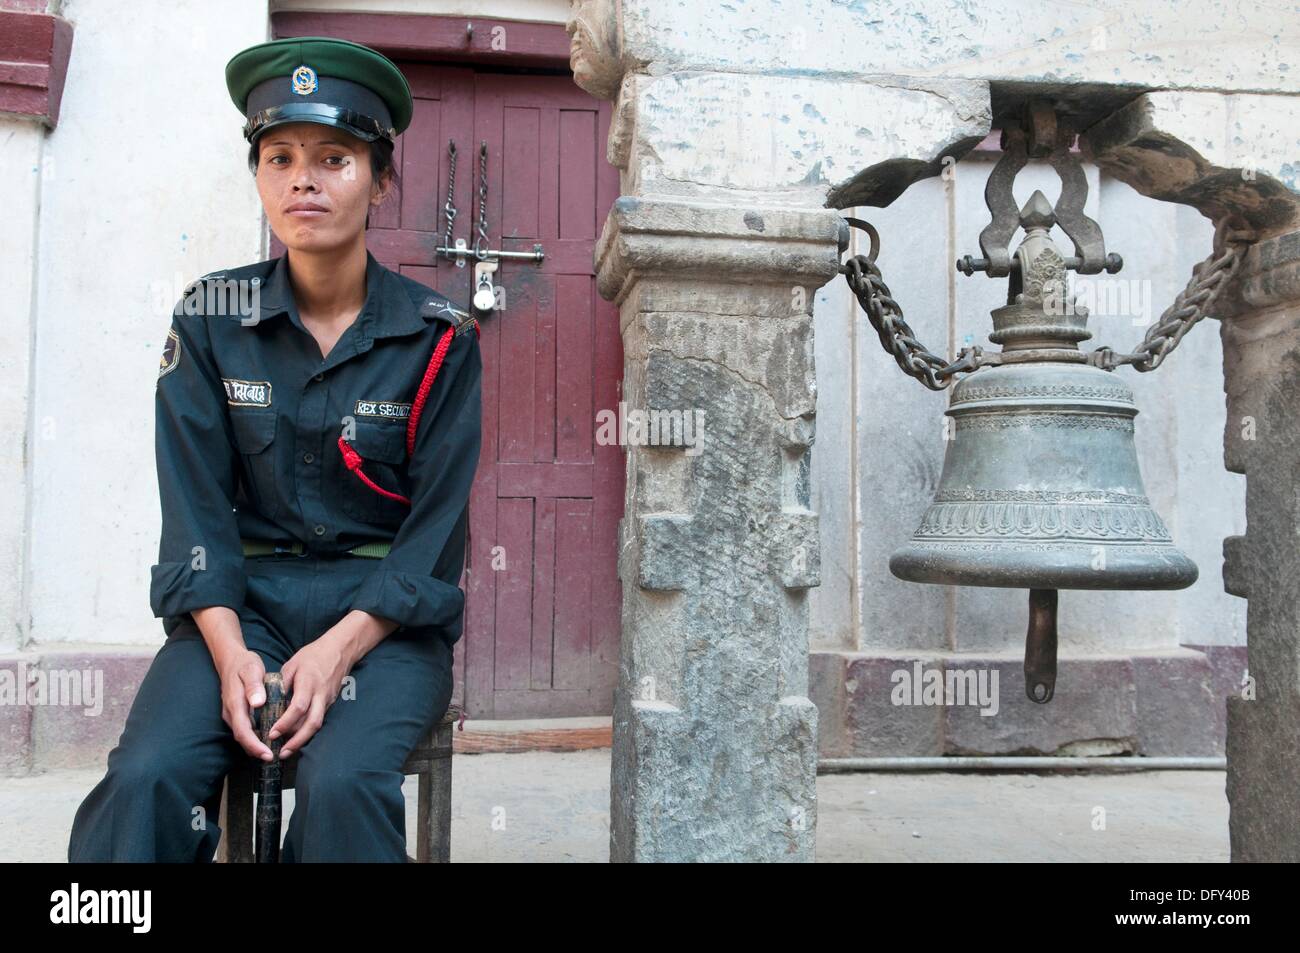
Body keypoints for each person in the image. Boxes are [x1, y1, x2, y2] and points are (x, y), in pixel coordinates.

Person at [67, 36, 482, 862]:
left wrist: (334, 652)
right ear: (257, 173)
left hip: (383, 625)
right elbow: (192, 514)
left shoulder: (440, 338)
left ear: (380, 178)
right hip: (240, 606)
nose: (304, 179)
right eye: (280, 156)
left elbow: (433, 538)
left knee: (341, 789)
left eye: (335, 157)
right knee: (145, 777)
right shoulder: (209, 318)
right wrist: (231, 655)